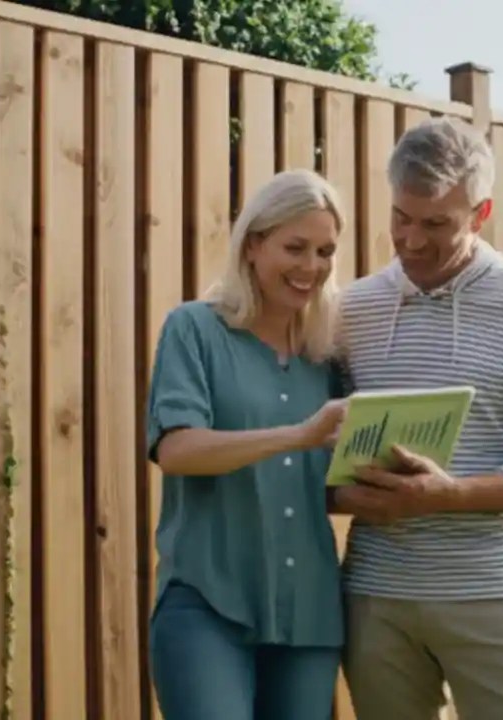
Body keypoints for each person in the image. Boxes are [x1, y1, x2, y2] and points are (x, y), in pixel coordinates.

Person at [331, 117, 503, 720]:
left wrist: (445, 495)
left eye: (436, 223)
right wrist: (346, 495)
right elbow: (322, 452)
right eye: (401, 217)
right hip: (377, 596)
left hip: (493, 592)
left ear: (481, 212)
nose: (412, 240)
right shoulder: (352, 311)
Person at [145, 169, 351, 720]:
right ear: (254, 245)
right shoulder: (194, 331)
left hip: (308, 616)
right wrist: (299, 435)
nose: (312, 267)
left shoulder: (327, 355)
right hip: (207, 604)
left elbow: (331, 485)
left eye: (326, 251)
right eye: (296, 247)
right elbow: (178, 450)